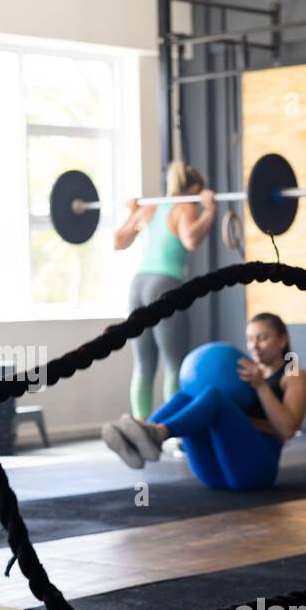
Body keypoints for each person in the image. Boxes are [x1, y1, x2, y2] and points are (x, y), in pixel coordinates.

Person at [101, 314, 306, 491]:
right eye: (250, 339)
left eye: (262, 338)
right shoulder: (243, 372)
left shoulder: (293, 375)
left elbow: (286, 431)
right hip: (213, 473)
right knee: (190, 394)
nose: (254, 346)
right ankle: (142, 433)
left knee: (214, 397)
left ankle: (158, 434)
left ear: (282, 340)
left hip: (255, 472)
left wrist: (261, 387)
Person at [113, 160, 217, 421]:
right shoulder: (186, 207)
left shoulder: (149, 208)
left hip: (138, 286)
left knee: (144, 364)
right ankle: (172, 432)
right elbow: (191, 239)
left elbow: (119, 241)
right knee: (174, 363)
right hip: (164, 285)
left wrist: (132, 213)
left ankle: (140, 427)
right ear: (194, 187)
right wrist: (209, 210)